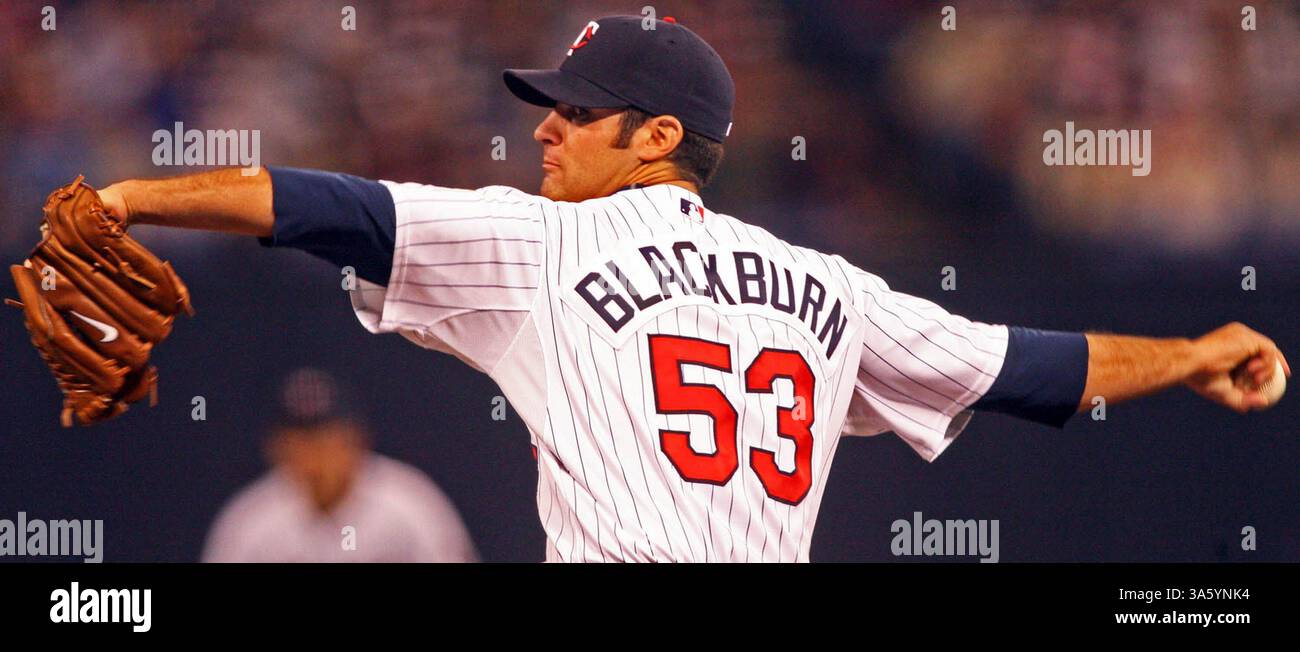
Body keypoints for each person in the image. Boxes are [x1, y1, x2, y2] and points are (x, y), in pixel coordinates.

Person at [99, 15, 1286, 562]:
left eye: (576, 111)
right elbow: (1029, 367)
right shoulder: (826, 284)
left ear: (658, 132)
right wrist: (1189, 354)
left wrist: (127, 202)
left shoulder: (540, 242)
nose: (547, 130)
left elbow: (324, 205)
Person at [202, 368, 478, 563]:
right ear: (277, 449)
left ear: (356, 441)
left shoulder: (409, 504)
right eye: (302, 443)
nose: (315, 458)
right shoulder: (252, 521)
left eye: (326, 441)